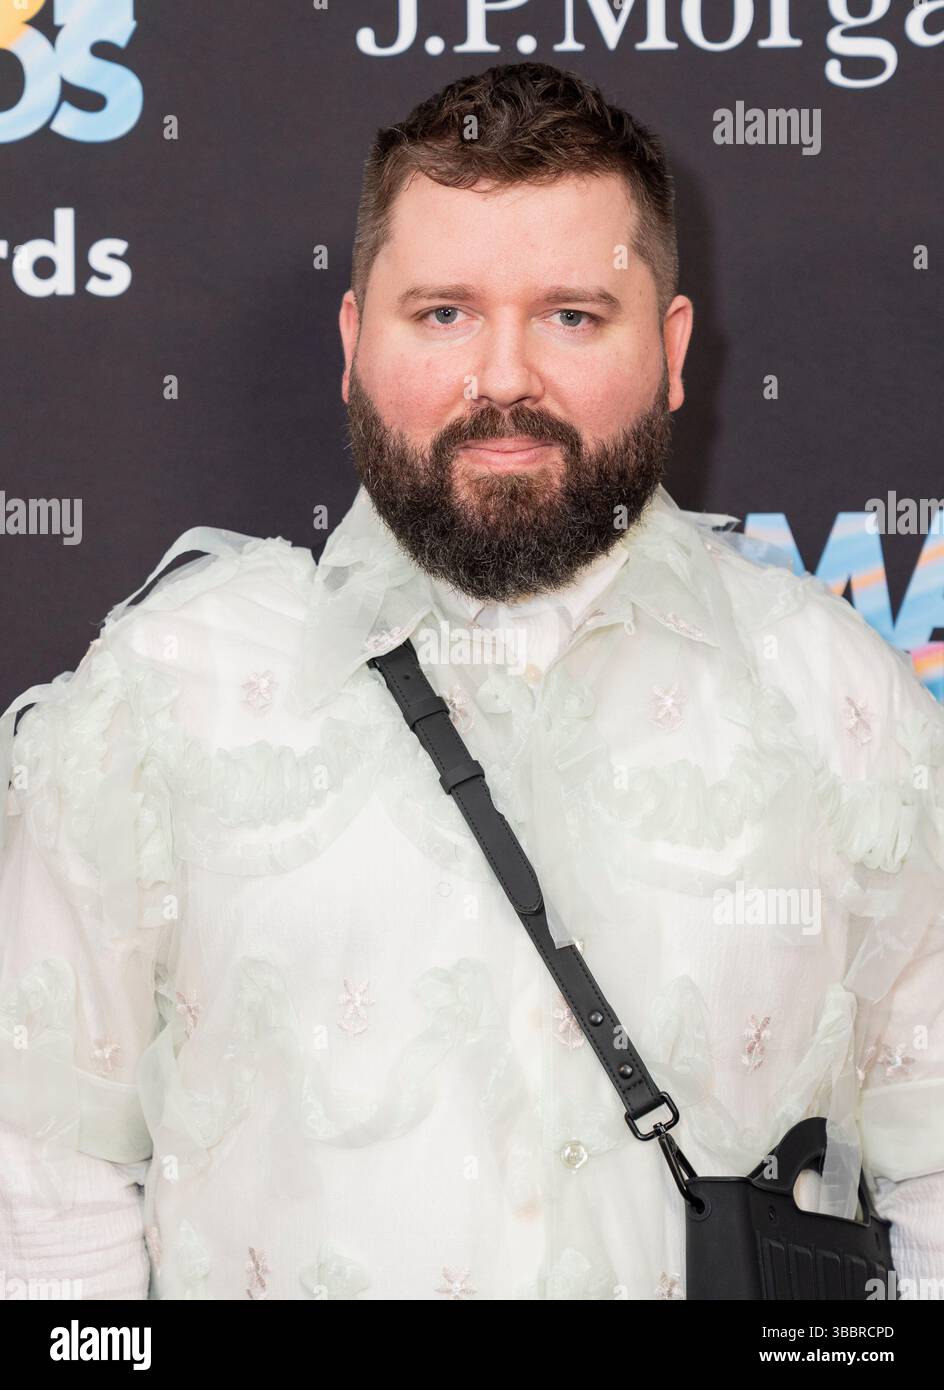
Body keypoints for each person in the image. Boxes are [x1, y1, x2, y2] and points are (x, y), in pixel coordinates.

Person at [1, 62, 942, 1302]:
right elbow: (43, 1168)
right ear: (352, 343)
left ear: (669, 352)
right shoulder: (166, 688)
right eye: (442, 313)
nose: (501, 379)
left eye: (570, 315)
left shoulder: (838, 704)